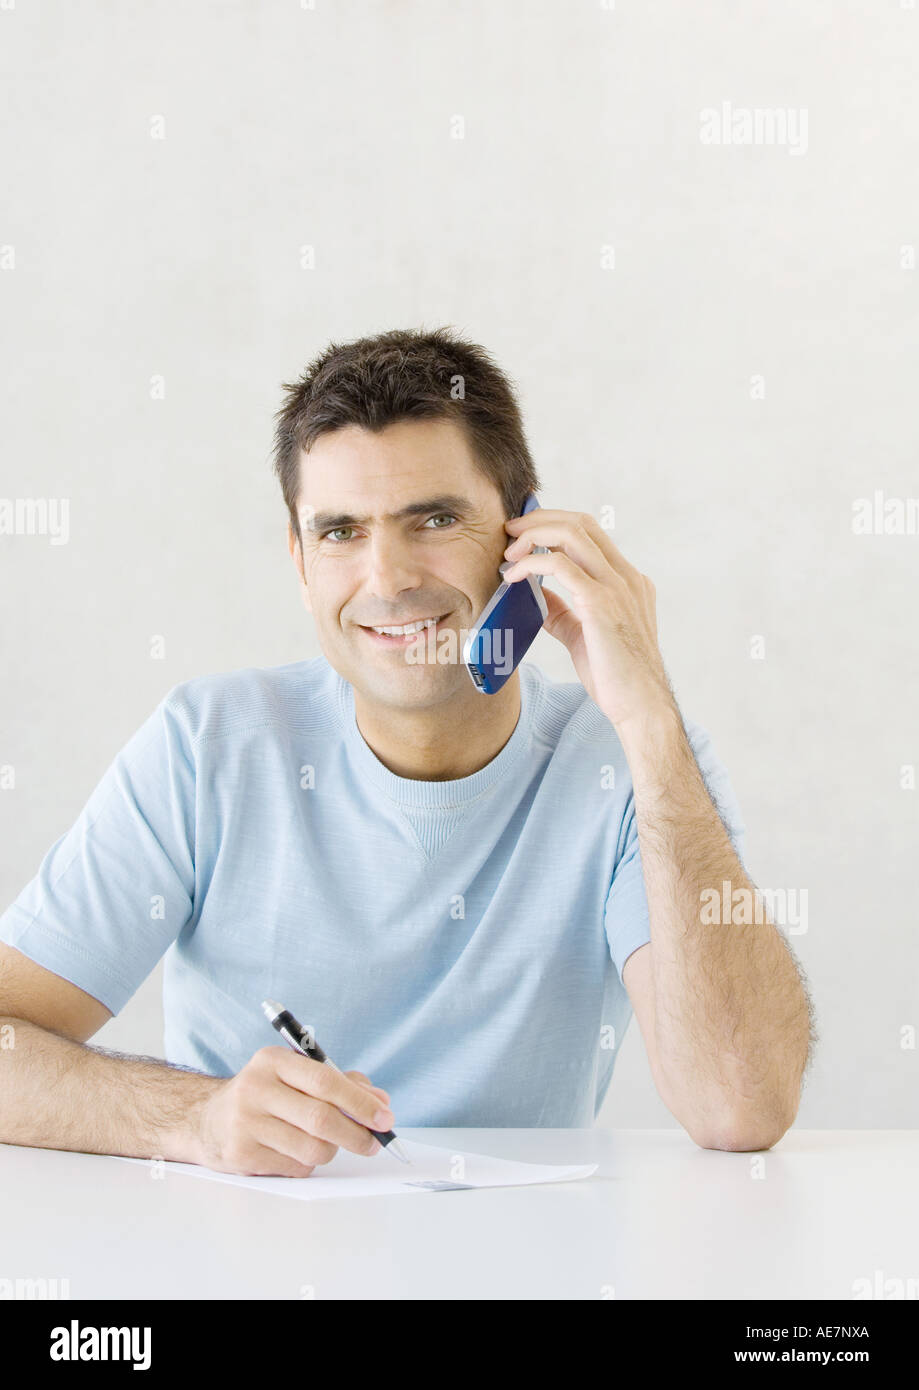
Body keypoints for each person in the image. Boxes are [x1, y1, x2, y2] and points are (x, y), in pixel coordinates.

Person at [0, 327, 814, 1176]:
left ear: (525, 537)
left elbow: (739, 1107)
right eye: (341, 531)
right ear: (301, 561)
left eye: (434, 519)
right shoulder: (207, 747)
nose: (387, 579)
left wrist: (646, 714)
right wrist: (195, 1119)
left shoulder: (631, 764)